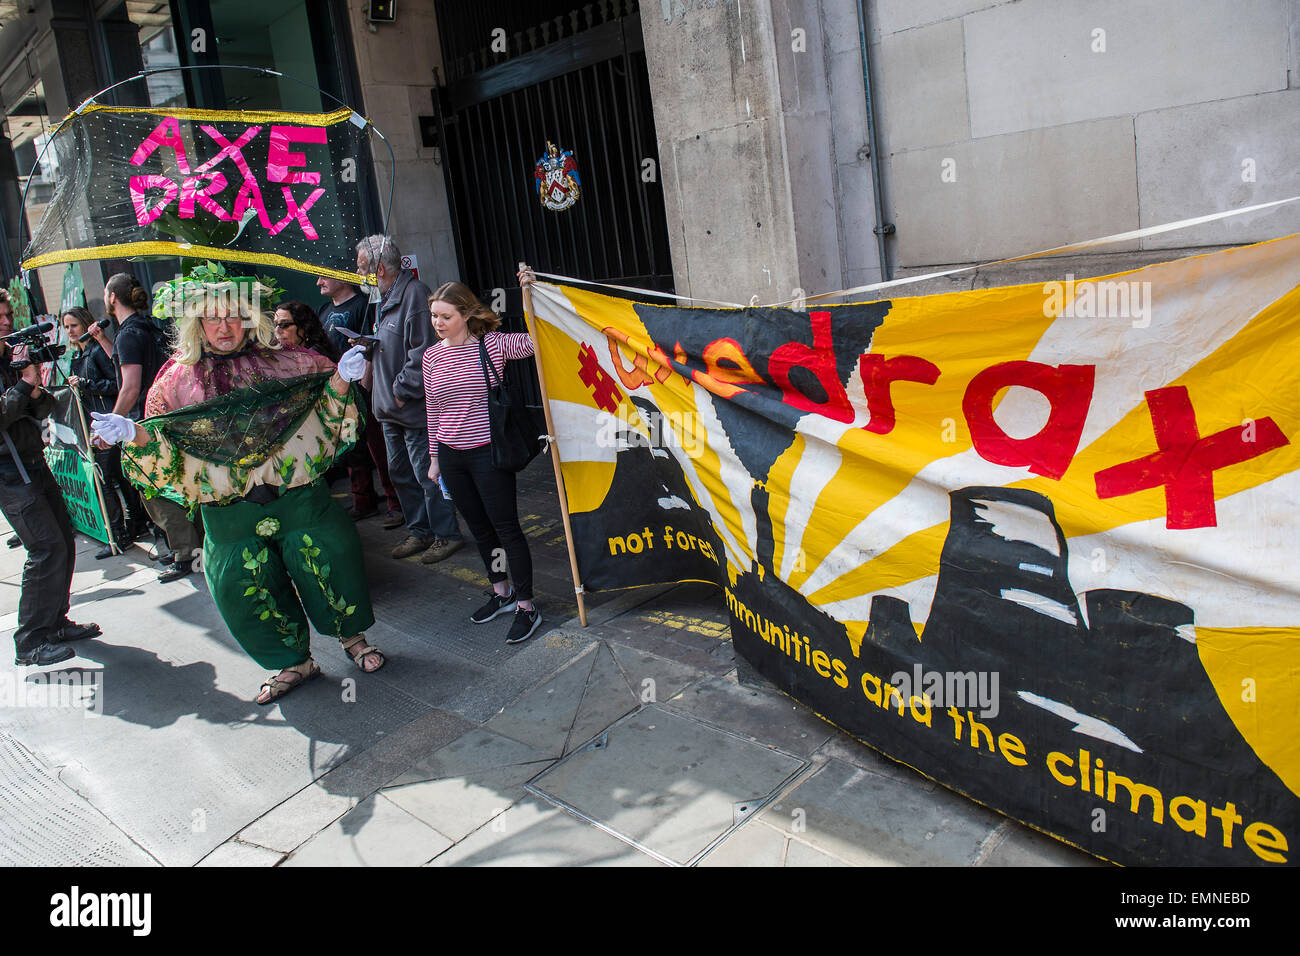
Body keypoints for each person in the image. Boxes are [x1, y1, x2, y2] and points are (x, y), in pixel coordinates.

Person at [91, 271, 383, 705]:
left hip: (297, 498)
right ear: (196, 324)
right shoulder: (174, 382)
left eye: (234, 316)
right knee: (242, 586)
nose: (224, 327)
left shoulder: (288, 360)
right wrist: (131, 433)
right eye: (212, 318)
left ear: (250, 318)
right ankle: (294, 662)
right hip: (229, 511)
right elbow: (165, 444)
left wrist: (343, 376)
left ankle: (352, 638)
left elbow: (325, 407)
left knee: (329, 557)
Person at [423, 280, 542, 644]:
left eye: (446, 316)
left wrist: (531, 295)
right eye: (434, 316)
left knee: (506, 528)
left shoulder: (492, 345)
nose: (438, 323)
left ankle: (526, 607)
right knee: (480, 530)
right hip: (450, 454)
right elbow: (432, 408)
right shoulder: (431, 356)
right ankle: (502, 592)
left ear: (466, 314)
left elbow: (538, 339)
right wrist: (433, 457)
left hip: (489, 453)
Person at [0, 294, 101, 666]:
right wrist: (24, 388)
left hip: (33, 463)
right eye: (0, 317)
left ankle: (55, 622)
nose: (7, 322)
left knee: (63, 541)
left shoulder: (11, 360)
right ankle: (30, 640)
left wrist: (35, 386)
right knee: (44, 549)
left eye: (8, 315)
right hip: (9, 475)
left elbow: (42, 409)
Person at [356, 235, 463, 563]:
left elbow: (422, 352)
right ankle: (420, 530)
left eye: (363, 268)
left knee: (426, 475)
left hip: (411, 409)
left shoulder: (414, 295)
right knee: (400, 473)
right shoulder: (384, 297)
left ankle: (446, 534)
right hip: (388, 410)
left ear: (380, 268)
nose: (359, 275)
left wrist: (401, 391)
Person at [103, 272, 200, 583]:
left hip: (145, 424)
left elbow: (130, 387)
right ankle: (193, 551)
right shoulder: (148, 327)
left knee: (157, 492)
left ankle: (186, 556)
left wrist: (110, 426)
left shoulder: (129, 334)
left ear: (112, 297)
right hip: (165, 416)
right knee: (177, 486)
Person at [62, 307, 145, 558]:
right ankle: (132, 526)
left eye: (74, 325)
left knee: (107, 479)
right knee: (118, 479)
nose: (70, 331)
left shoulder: (97, 351)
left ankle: (119, 533)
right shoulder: (80, 356)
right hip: (97, 425)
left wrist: (87, 385)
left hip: (111, 424)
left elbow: (116, 384)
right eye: (66, 327)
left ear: (86, 324)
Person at [318, 275, 401, 525]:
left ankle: (394, 503)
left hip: (364, 389)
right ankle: (363, 501)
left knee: (380, 450)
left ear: (341, 279)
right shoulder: (324, 309)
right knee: (352, 450)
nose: (318, 282)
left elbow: (372, 349)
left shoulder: (364, 306)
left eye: (323, 276)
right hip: (338, 388)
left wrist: (367, 386)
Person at [274, 301, 339, 360]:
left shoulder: (317, 358)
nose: (277, 330)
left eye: (284, 324)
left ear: (305, 327)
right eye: (275, 325)